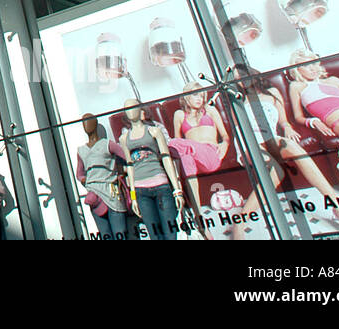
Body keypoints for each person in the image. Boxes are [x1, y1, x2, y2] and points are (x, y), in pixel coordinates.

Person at [229, 65, 339, 238]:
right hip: (250, 140)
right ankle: (240, 222)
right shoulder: (238, 99)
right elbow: (238, 126)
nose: (241, 82)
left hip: (271, 138)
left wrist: (287, 128)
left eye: (242, 76)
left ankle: (337, 206)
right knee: (276, 172)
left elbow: (283, 121)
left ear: (252, 75)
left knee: (295, 148)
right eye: (236, 80)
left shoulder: (272, 93)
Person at [118, 98, 184, 239]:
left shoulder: (154, 131)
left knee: (170, 233)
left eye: (132, 107)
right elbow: (130, 166)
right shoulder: (124, 139)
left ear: (140, 109)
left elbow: (166, 158)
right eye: (126, 108)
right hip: (141, 192)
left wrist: (177, 189)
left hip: (161, 186)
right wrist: (133, 196)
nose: (130, 111)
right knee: (154, 235)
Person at [170, 81, 230, 228]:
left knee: (173, 144)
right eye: (195, 95)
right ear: (186, 97)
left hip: (211, 154)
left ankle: (196, 213)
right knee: (184, 155)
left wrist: (225, 144)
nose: (199, 99)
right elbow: (177, 143)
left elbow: (226, 136)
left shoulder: (210, 110)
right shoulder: (179, 115)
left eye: (202, 96)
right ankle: (199, 214)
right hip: (194, 159)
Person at [75, 114, 133, 240]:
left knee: (120, 233)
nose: (87, 125)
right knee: (105, 234)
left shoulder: (107, 144)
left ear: (95, 123)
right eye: (84, 122)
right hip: (95, 196)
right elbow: (79, 174)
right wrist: (86, 180)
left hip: (111, 192)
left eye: (89, 121)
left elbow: (126, 158)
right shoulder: (81, 150)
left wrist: (123, 173)